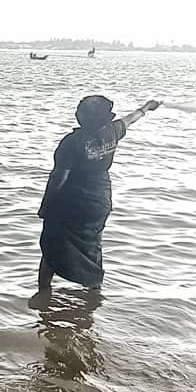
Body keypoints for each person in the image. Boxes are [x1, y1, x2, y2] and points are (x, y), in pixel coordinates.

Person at [36, 96, 162, 292]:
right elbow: (131, 119)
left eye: (81, 111)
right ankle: (94, 293)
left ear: (86, 118)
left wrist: (46, 206)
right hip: (100, 200)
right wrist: (146, 107)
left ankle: (44, 292)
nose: (77, 113)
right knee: (92, 247)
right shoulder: (112, 131)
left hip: (72, 202)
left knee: (52, 246)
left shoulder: (72, 142)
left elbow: (58, 178)